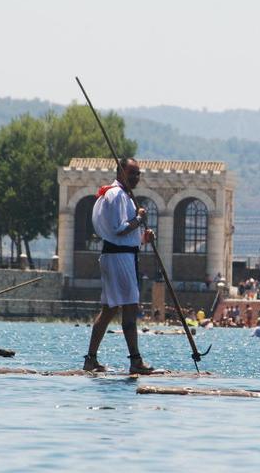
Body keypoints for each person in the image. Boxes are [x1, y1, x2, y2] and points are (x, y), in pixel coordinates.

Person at [83, 158, 155, 374]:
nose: (136, 178)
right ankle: (135, 360)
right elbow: (117, 229)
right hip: (119, 259)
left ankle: (91, 359)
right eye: (132, 173)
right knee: (130, 307)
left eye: (138, 174)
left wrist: (142, 239)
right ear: (120, 172)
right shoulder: (116, 195)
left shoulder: (123, 196)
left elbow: (125, 235)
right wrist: (139, 219)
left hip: (121, 255)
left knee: (109, 309)